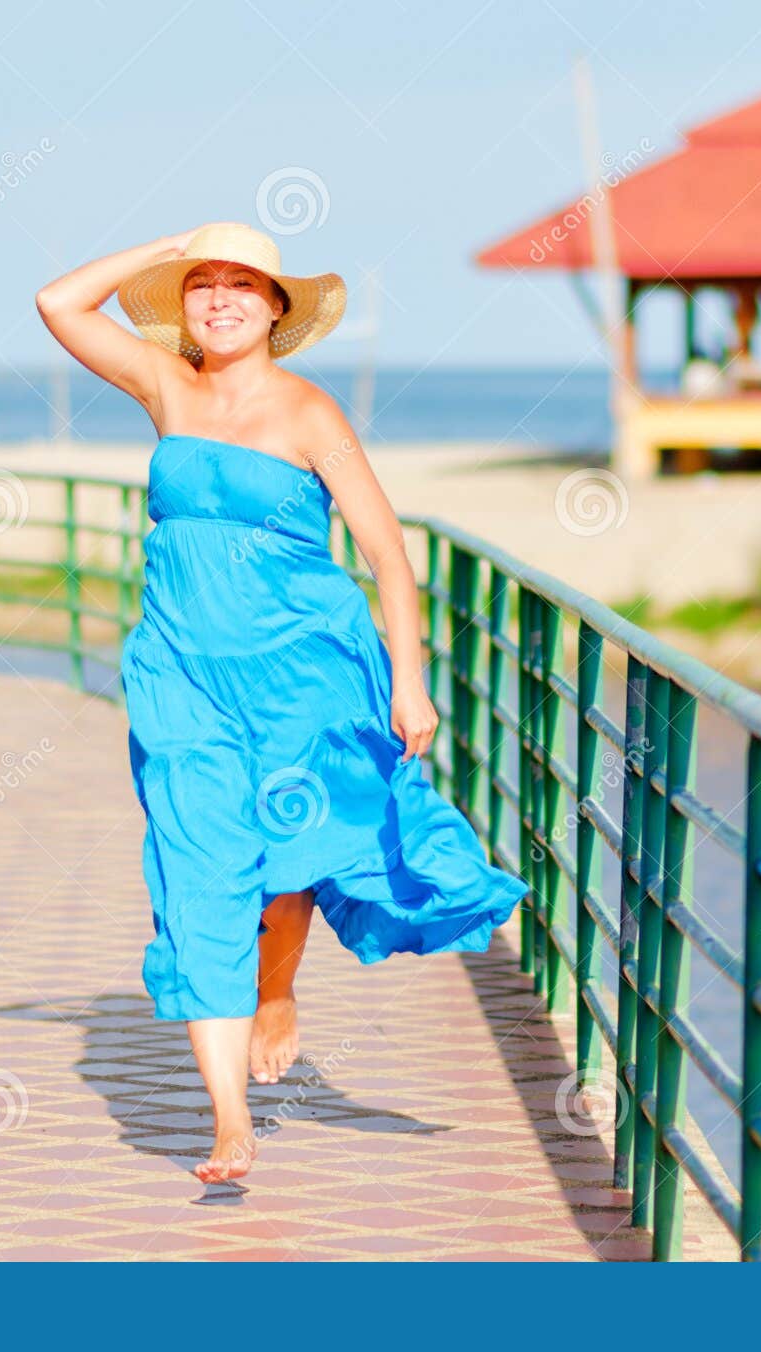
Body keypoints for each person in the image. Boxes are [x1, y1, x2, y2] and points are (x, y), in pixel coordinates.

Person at [35, 222, 529, 1183]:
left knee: (291, 848)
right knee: (198, 869)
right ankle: (229, 1124)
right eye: (201, 286)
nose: (218, 300)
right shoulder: (165, 385)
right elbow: (58, 304)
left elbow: (388, 555)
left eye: (241, 286)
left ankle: (279, 988)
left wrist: (412, 677)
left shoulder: (309, 414)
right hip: (180, 672)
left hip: (305, 670)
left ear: (276, 309)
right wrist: (168, 247)